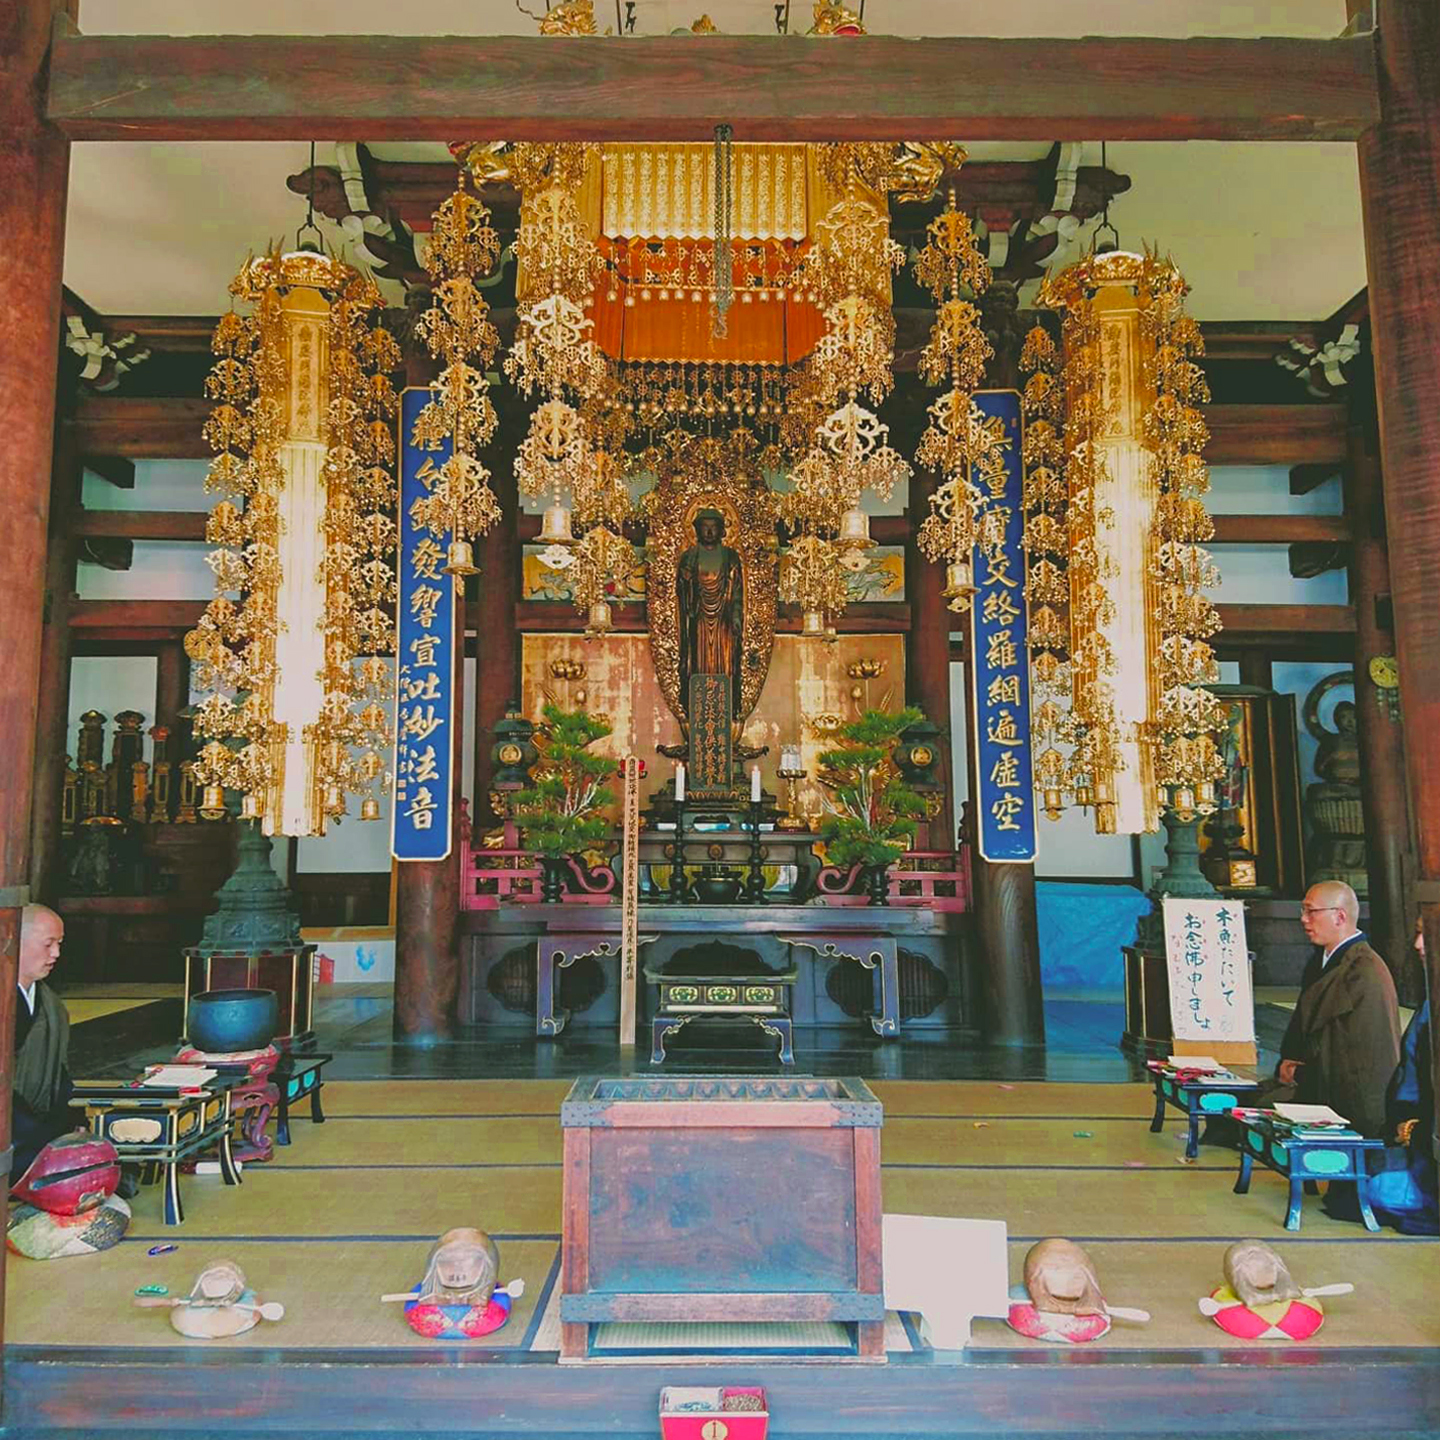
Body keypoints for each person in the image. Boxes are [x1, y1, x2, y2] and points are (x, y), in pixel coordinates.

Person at [1269, 880, 1400, 1137]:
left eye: (1311, 911)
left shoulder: (1364, 970)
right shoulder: (1324, 960)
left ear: (1340, 916)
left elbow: (1359, 1053)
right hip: (1312, 1080)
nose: (1304, 919)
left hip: (1346, 1099)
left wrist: (1302, 1074)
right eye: (1303, 911)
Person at [1366, 918, 1436, 1234]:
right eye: (1417, 932)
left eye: (1427, 933)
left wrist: (1416, 1133)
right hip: (1419, 1139)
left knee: (1371, 1188)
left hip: (1428, 1148)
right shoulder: (1431, 1000)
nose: (1418, 945)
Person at [12, 904, 79, 1180]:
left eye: (59, 944)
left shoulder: (50, 1003)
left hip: (40, 1126)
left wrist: (71, 1125)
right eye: (48, 944)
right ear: (14, 941)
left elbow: (58, 1076)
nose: (56, 954)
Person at [676, 508, 743, 717]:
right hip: (699, 617)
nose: (709, 532)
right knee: (698, 661)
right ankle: (700, 706)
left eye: (714, 528)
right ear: (696, 530)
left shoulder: (730, 556)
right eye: (705, 527)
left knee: (725, 662)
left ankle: (725, 705)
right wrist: (686, 582)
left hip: (724, 618)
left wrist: (736, 616)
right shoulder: (689, 557)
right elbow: (682, 594)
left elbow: (738, 591)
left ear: (722, 530)